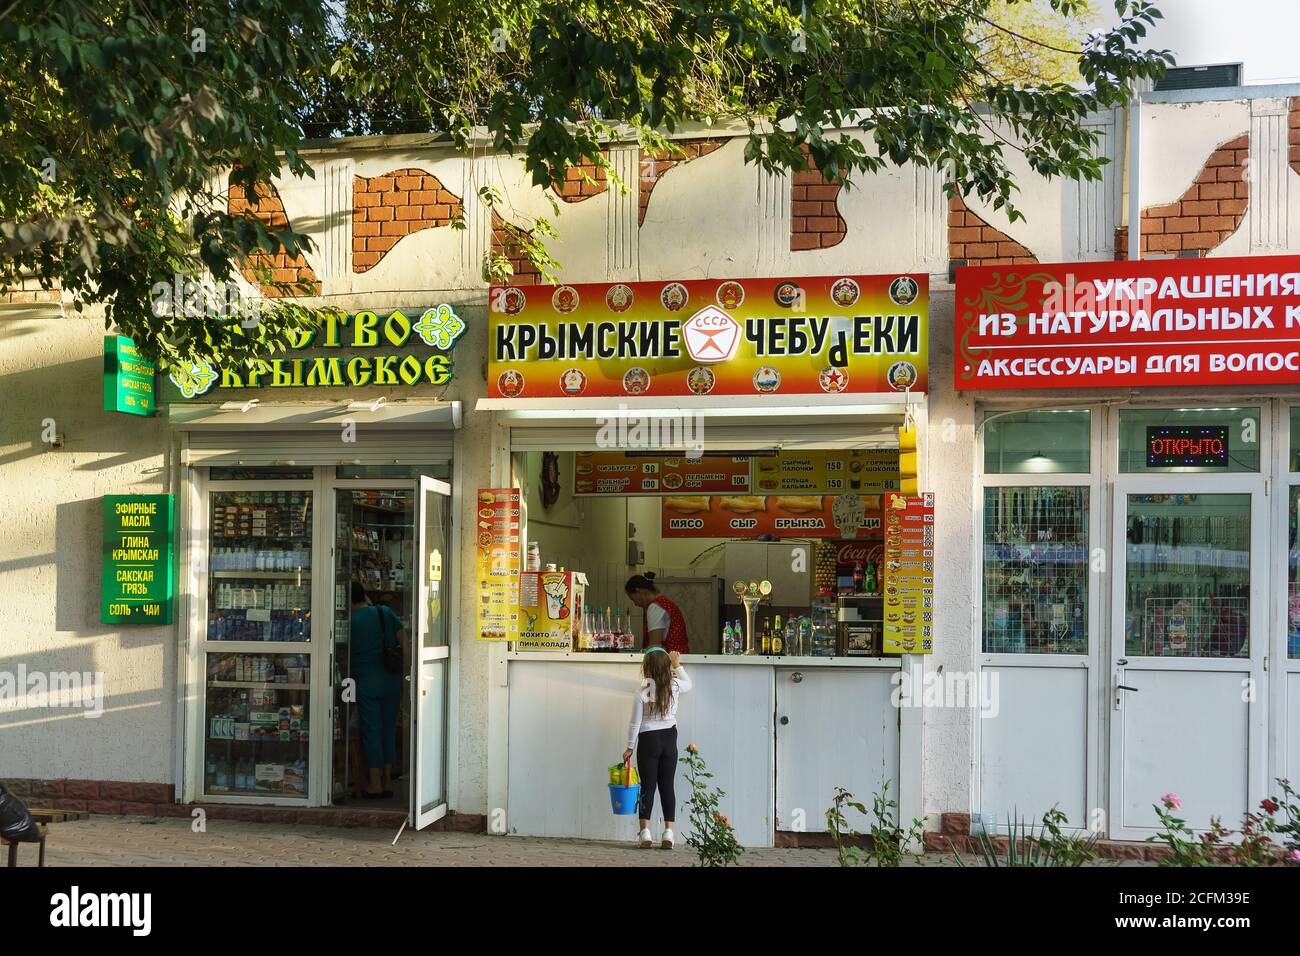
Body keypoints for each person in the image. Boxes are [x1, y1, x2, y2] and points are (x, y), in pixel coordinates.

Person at [622, 648, 692, 849]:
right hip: (669, 738)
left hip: (648, 740)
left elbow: (634, 724)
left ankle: (645, 832)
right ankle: (668, 832)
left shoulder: (642, 692)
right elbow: (690, 684)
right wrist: (677, 665)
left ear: (647, 668)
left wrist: (629, 747)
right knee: (667, 786)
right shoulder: (675, 685)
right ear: (666, 666)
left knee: (647, 786)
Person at [349, 581, 406, 798]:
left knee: (372, 731)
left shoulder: (352, 621)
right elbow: (405, 641)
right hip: (391, 679)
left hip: (366, 681)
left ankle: (375, 784)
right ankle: (388, 781)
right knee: (388, 728)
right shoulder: (385, 612)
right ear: (364, 595)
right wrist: (406, 673)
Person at [625, 571, 689, 653]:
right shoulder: (664, 603)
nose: (635, 604)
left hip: (669, 659)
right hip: (679, 656)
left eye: (633, 599)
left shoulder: (655, 607)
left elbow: (655, 645)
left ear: (638, 591)